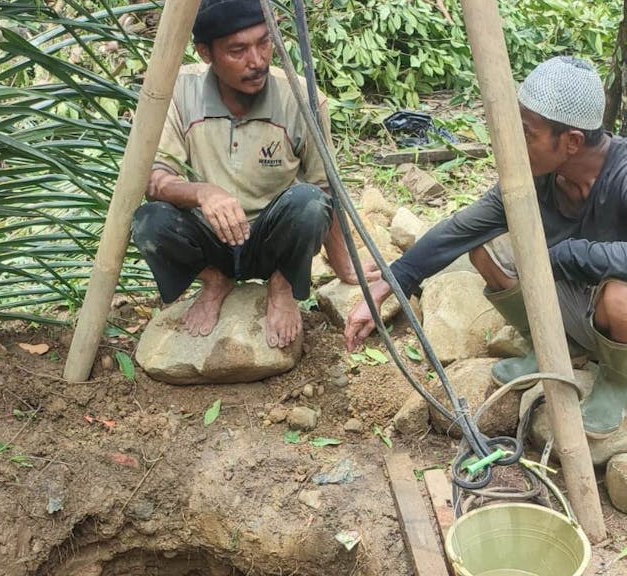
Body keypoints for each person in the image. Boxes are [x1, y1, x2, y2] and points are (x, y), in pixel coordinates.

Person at [345, 56, 627, 439]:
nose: (511, 143)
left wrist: (573, 254)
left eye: (526, 133)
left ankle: (615, 379)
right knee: (486, 249)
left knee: (619, 297)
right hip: (578, 302)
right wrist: (388, 284)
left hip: (615, 310)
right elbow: (461, 229)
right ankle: (551, 347)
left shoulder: (622, 175)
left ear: (572, 141)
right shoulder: (536, 176)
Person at [132, 0, 372, 350]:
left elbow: (326, 187)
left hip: (272, 241)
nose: (257, 61)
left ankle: (282, 285)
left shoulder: (301, 98)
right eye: (238, 50)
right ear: (205, 53)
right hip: (212, 238)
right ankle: (215, 282)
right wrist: (203, 193)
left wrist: (343, 264)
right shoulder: (179, 91)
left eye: (264, 42)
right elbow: (155, 179)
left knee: (308, 201)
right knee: (149, 222)